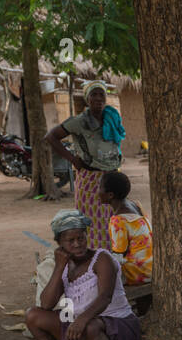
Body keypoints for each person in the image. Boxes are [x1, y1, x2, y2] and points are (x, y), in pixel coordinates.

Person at [26, 209, 141, 340]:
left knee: (89, 327)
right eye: (70, 241)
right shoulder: (64, 265)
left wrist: (82, 320)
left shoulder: (102, 259)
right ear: (59, 244)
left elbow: (105, 297)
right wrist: (60, 266)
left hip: (115, 325)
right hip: (81, 327)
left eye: (81, 238)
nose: (78, 244)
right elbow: (46, 304)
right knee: (32, 315)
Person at [46, 82, 124, 251]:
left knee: (112, 221)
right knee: (93, 223)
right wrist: (73, 160)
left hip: (112, 177)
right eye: (93, 94)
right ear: (87, 99)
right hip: (91, 179)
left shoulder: (112, 118)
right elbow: (51, 136)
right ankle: (94, 262)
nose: (98, 98)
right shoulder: (79, 122)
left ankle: (112, 261)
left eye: (101, 94)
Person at [101, 171, 152, 286]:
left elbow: (118, 255)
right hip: (151, 266)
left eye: (100, 188)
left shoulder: (118, 220)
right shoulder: (136, 205)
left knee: (98, 269)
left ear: (110, 195)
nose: (97, 192)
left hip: (139, 272)